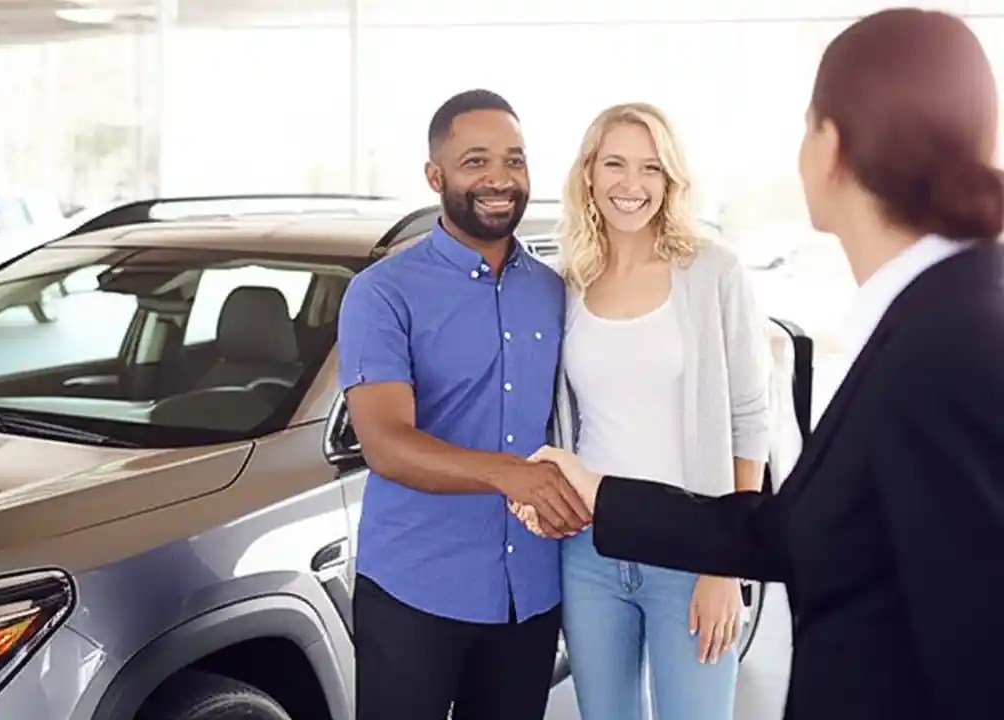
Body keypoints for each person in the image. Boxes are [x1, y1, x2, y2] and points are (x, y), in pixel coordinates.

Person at [529, 8, 1004, 720]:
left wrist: (716, 569)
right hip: (603, 546)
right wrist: (595, 491)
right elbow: (790, 532)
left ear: (830, 147)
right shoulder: (927, 324)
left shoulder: (951, 349)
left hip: (683, 563)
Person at [513, 102, 771, 720]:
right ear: (589, 176)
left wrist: (727, 566)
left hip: (693, 553)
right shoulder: (568, 279)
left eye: (651, 168)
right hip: (590, 552)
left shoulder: (714, 273)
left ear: (671, 180)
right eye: (616, 165)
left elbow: (749, 420)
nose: (632, 185)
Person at [338, 88, 590, 720]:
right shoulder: (382, 294)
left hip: (529, 593)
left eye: (515, 160)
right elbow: (386, 445)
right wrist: (511, 476)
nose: (500, 179)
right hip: (415, 590)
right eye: (476, 161)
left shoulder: (557, 292)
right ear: (435, 175)